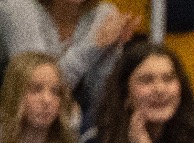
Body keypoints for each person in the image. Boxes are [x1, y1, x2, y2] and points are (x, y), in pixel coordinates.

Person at [0, 0, 132, 116]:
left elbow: (100, 102)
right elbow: (40, 86)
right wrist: (94, 46)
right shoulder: (17, 8)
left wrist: (110, 51)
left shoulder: (104, 14)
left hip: (75, 122)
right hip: (17, 122)